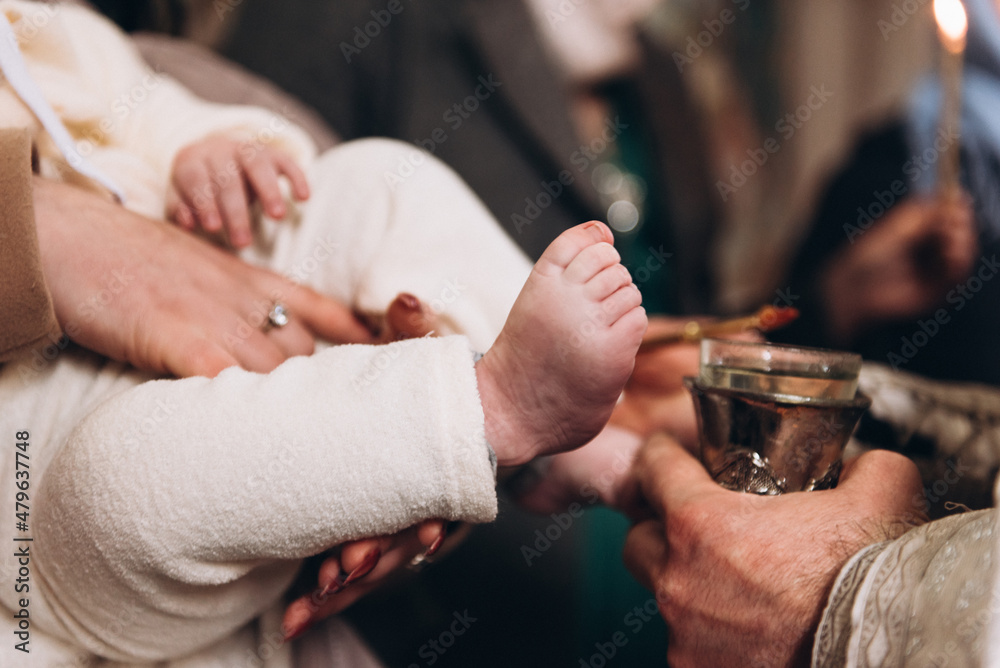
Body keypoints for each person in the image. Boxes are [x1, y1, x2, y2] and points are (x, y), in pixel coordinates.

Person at [0, 1, 646, 664]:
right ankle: (491, 409)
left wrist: (219, 150)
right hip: (51, 475)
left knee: (376, 180)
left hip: (224, 280)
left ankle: (534, 439)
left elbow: (155, 108)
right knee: (115, 477)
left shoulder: (43, 34)